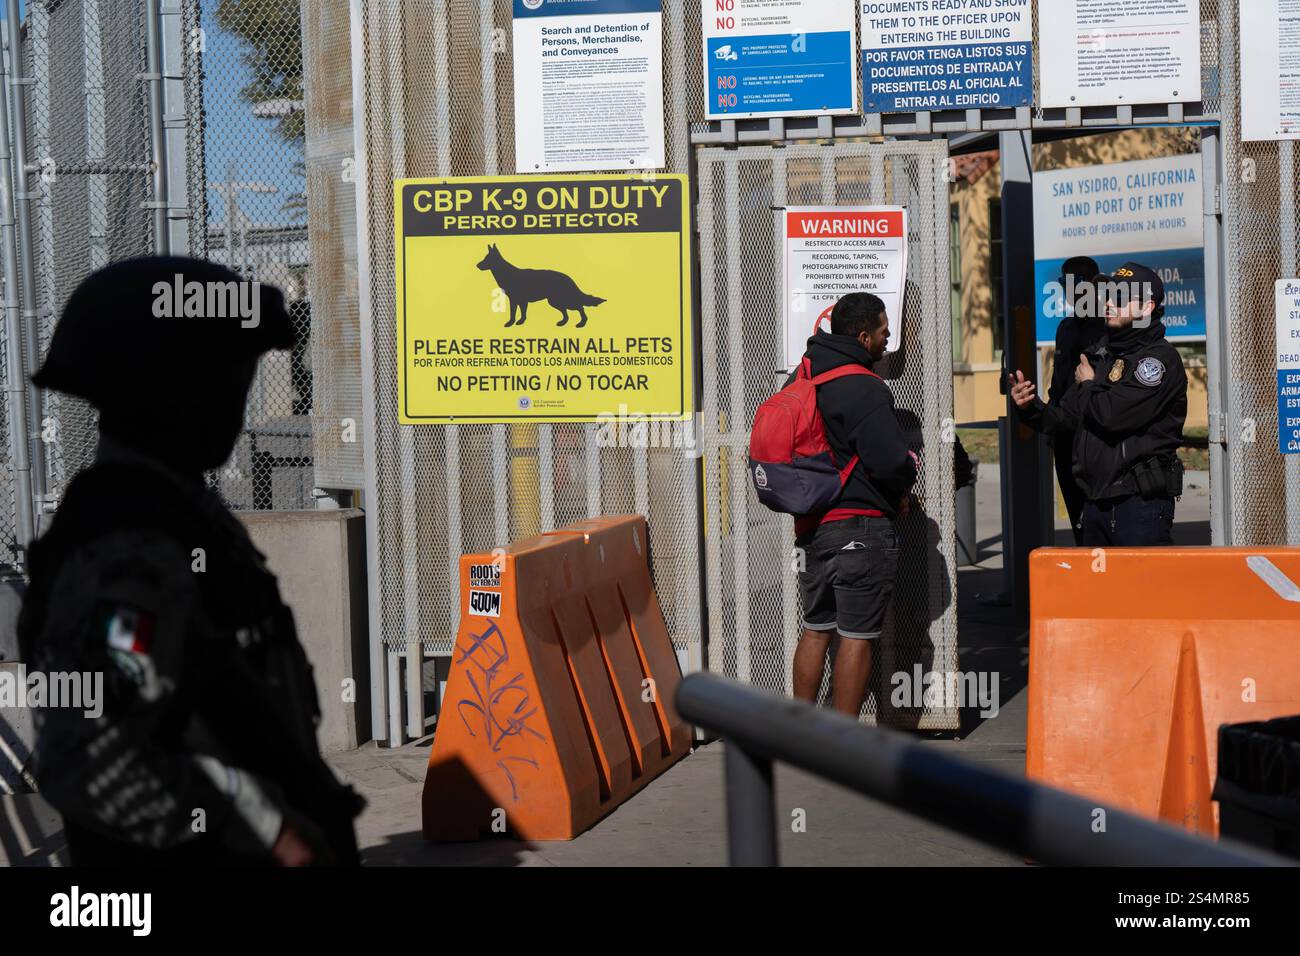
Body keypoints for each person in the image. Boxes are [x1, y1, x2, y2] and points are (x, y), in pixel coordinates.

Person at [17, 257, 364, 866]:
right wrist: (262, 825)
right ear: (163, 390)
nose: (235, 400)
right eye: (222, 377)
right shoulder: (126, 549)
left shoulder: (179, 513)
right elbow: (94, 762)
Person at [792, 292, 918, 716]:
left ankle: (800, 733)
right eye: (883, 331)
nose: (888, 338)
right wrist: (906, 478)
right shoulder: (864, 387)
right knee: (857, 635)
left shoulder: (803, 376)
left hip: (811, 528)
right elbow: (888, 462)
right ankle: (842, 746)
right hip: (860, 526)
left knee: (815, 630)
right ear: (863, 336)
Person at [1009, 261, 1187, 546]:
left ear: (1146, 307)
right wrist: (1030, 407)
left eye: (1121, 297)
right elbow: (1066, 417)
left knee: (1138, 590)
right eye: (1109, 294)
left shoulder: (1157, 361)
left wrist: (1090, 384)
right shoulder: (1101, 356)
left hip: (1138, 504)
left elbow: (1112, 415)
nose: (1109, 303)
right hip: (1095, 502)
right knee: (1096, 591)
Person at [1046, 256, 1105, 543]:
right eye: (1065, 284)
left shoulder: (1109, 327)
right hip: (1065, 435)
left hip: (1093, 435)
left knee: (1096, 517)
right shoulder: (1066, 328)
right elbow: (1058, 384)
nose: (1073, 290)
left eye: (1079, 282)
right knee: (1077, 517)